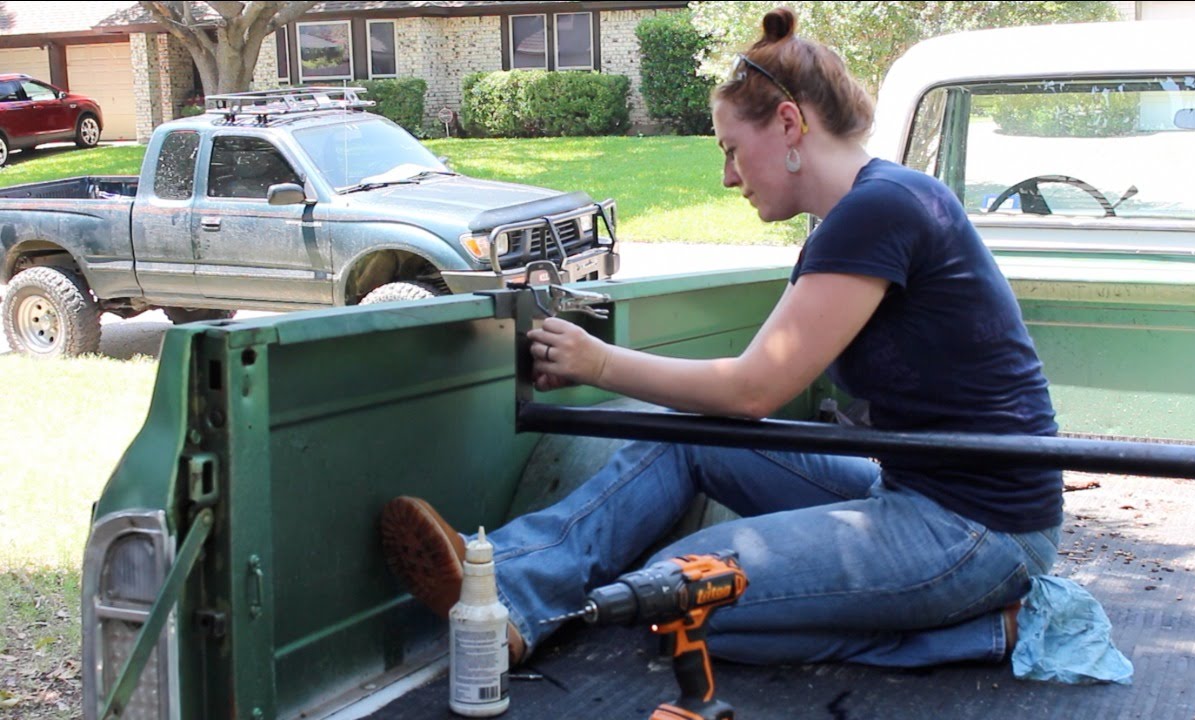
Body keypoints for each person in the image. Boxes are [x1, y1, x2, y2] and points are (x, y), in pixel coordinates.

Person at [381, 6, 1062, 669]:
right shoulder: (862, 213)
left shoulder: (880, 209)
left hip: (980, 530)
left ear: (789, 123)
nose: (728, 176)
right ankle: (513, 585)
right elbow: (749, 381)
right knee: (684, 439)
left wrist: (598, 363)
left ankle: (983, 631)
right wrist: (596, 361)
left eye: (732, 150)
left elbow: (752, 389)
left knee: (676, 594)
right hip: (913, 490)